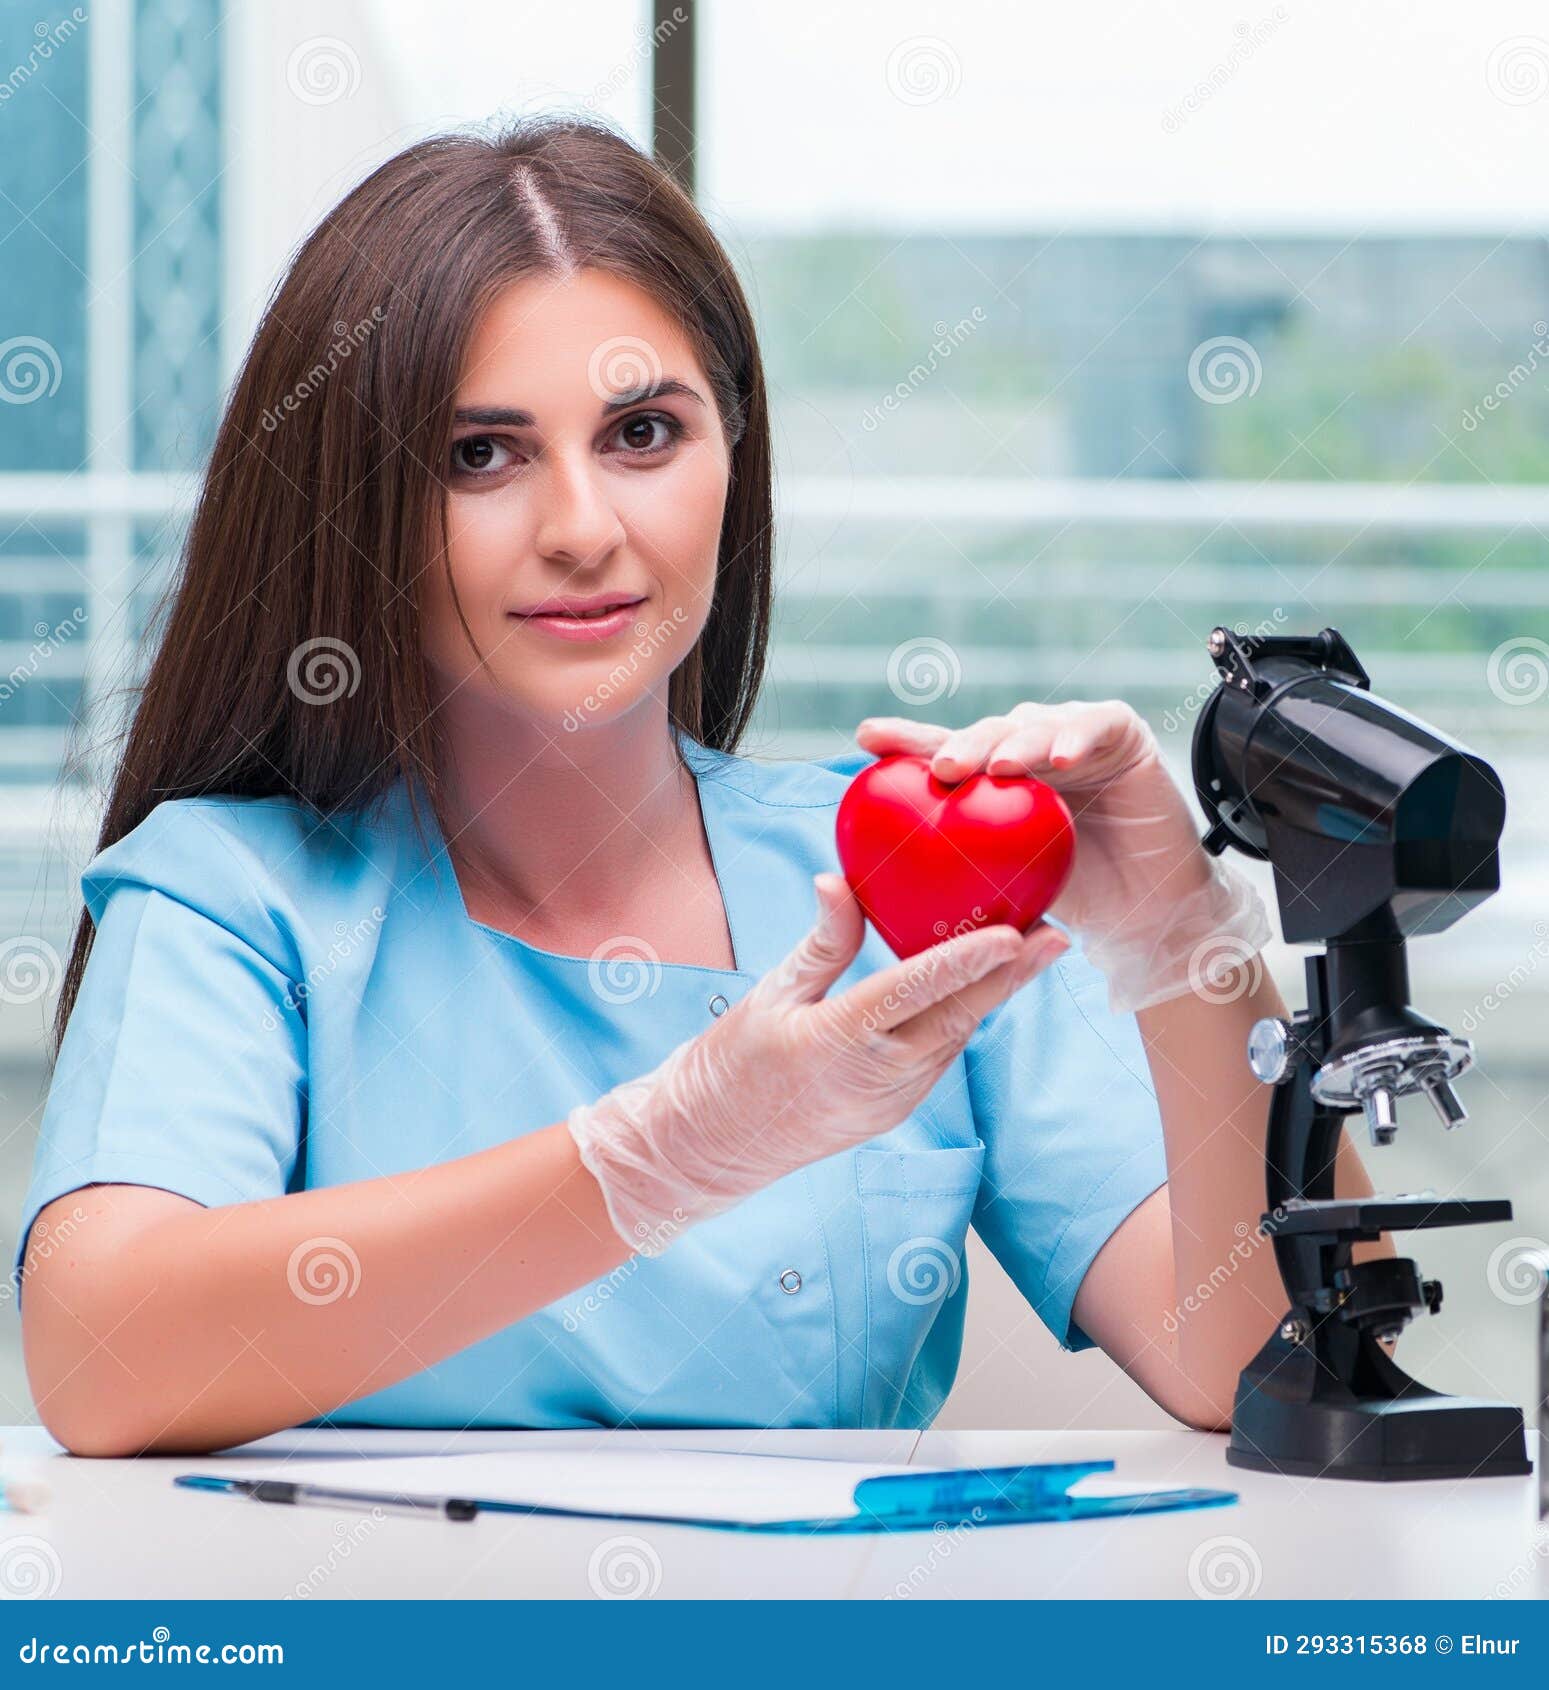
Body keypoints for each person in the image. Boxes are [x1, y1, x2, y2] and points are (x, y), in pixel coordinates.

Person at [16, 117, 1380, 1457]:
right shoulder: (233, 895)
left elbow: (1252, 1359)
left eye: (641, 433)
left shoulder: (916, 881)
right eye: (476, 454)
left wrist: (1184, 949)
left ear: (734, 452)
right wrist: (658, 1154)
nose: (582, 529)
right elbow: (100, 1355)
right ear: (356, 503)